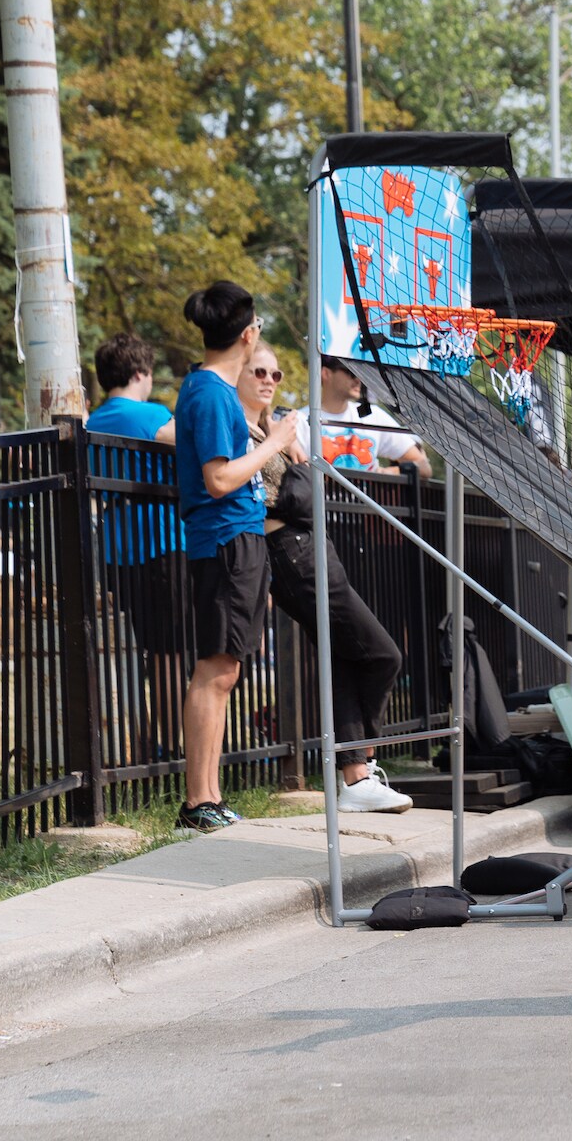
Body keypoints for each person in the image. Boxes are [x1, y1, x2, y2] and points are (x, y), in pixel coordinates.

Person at [241, 342, 410, 814]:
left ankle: (355, 779)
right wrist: (294, 456)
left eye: (275, 375)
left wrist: (292, 453)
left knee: (349, 658)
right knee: (382, 655)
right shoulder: (250, 429)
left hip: (311, 547)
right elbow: (293, 499)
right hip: (292, 553)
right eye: (259, 371)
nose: (270, 381)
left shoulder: (269, 428)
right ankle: (359, 768)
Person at [174, 282, 301, 831]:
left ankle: (210, 796)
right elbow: (219, 478)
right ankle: (196, 803)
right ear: (248, 335)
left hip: (239, 541)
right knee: (215, 669)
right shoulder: (207, 393)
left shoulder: (220, 393)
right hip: (224, 541)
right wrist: (275, 443)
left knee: (226, 672)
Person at [87, 333, 188, 764]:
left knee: (135, 651)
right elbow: (197, 444)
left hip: (115, 548)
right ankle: (174, 745)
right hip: (161, 542)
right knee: (169, 652)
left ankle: (139, 738)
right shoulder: (150, 414)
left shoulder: (91, 422)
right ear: (140, 373)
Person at [300, 356, 431, 476]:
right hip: (321, 502)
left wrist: (389, 472)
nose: (358, 379)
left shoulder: (373, 416)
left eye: (360, 373)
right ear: (326, 373)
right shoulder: (300, 420)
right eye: (350, 372)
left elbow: (424, 467)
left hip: (366, 501)